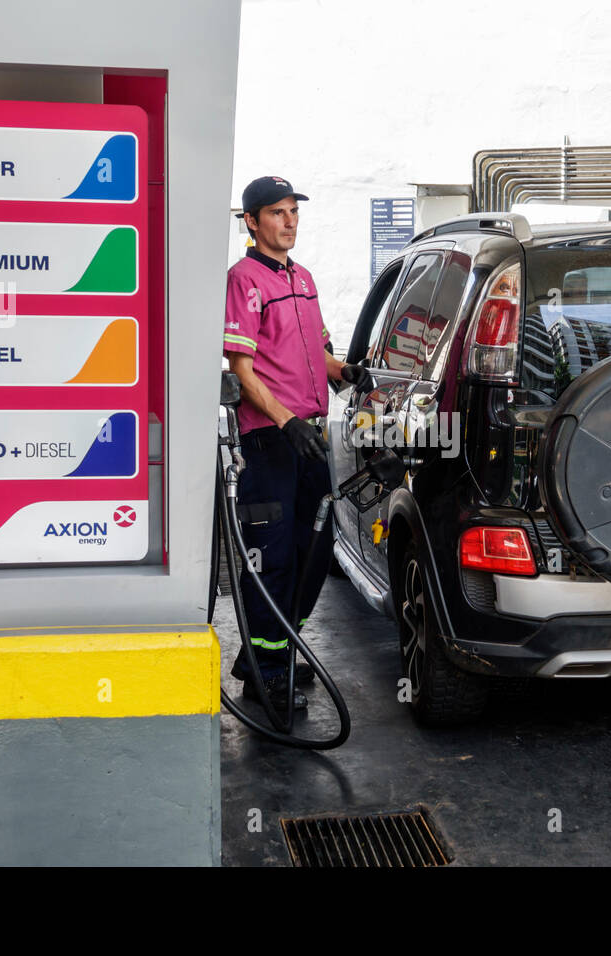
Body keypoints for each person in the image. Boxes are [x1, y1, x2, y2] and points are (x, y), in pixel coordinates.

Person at [222, 175, 370, 712]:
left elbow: (319, 354)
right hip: (271, 440)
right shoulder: (244, 280)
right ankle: (266, 672)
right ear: (252, 221)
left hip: (308, 438)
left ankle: (279, 648)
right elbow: (242, 370)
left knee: (316, 550)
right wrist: (286, 422)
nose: (289, 221)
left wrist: (348, 370)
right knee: (274, 557)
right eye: (278, 212)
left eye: (293, 212)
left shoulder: (304, 278)